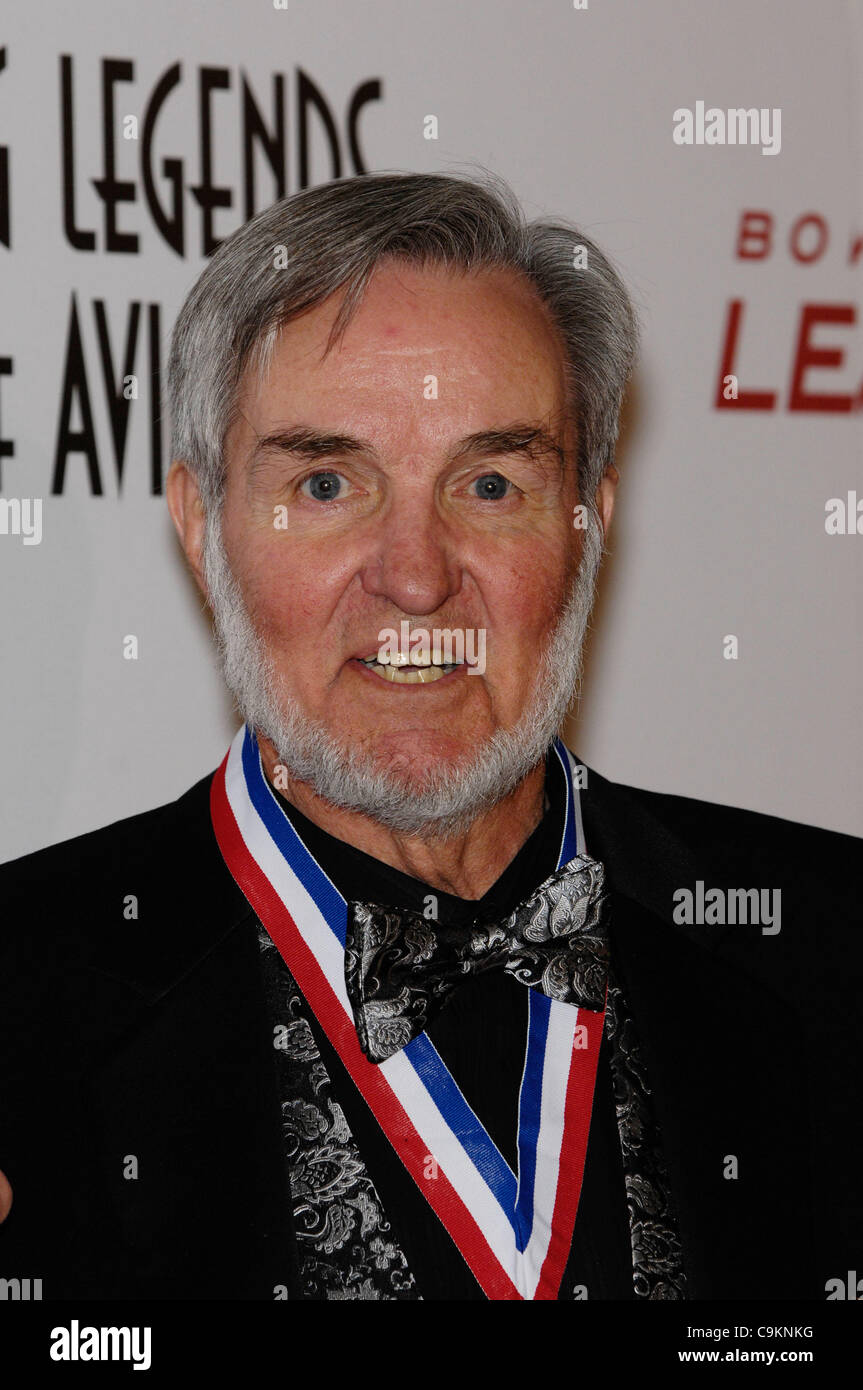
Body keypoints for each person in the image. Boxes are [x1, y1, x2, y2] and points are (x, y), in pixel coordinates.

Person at [0, 170, 859, 1302]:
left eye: (490, 482)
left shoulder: (831, 952)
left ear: (587, 523)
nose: (414, 577)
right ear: (203, 530)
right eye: (325, 481)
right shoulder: (21, 1011)